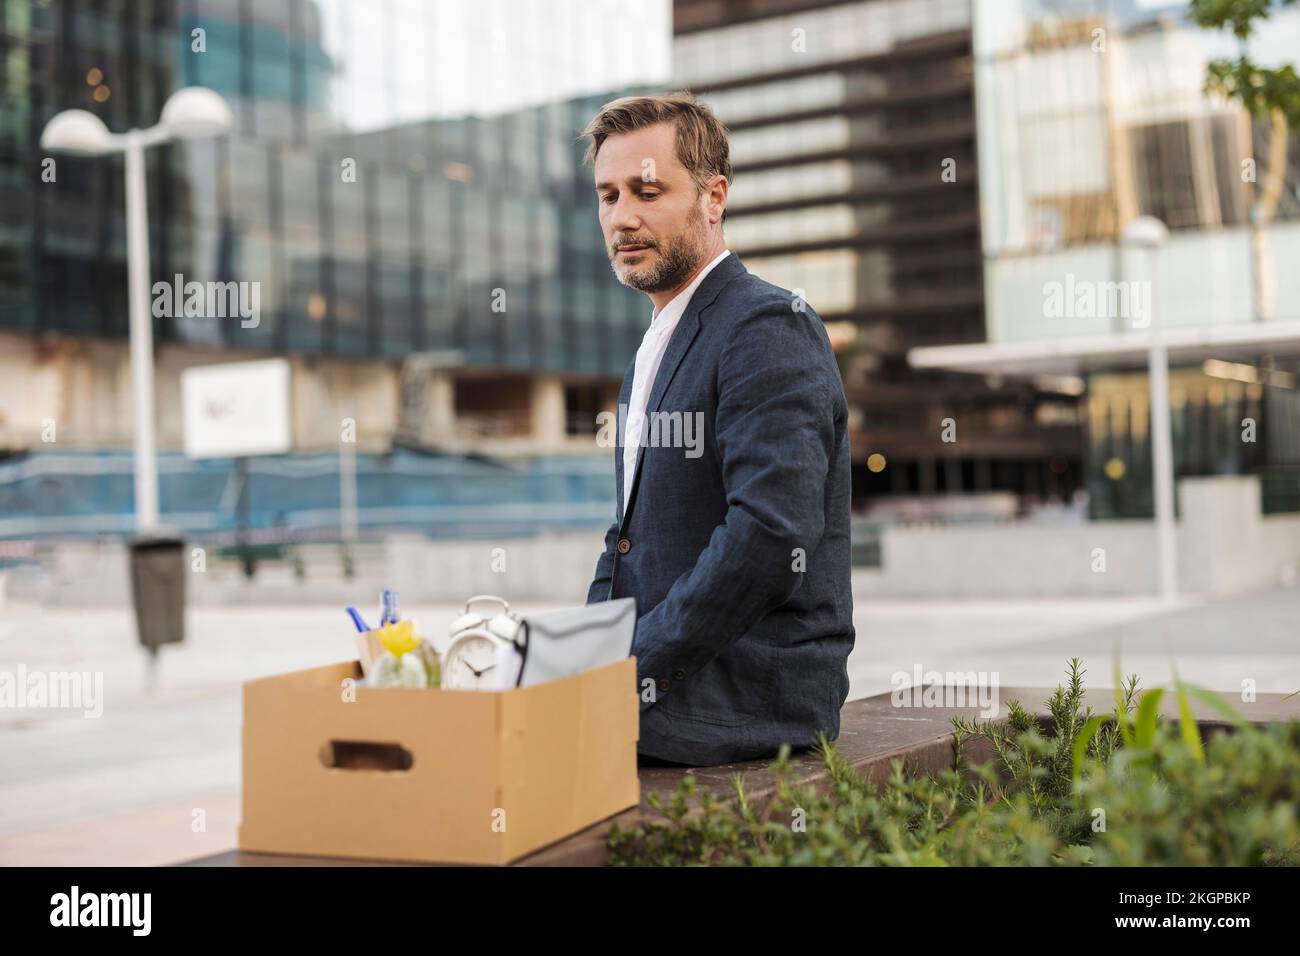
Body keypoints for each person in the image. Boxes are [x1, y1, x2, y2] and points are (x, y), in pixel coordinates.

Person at [581, 91, 855, 766]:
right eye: (609, 195)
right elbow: (627, 544)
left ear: (714, 196)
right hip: (669, 691)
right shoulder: (655, 348)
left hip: (741, 704)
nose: (624, 217)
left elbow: (769, 535)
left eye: (648, 191)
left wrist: (631, 674)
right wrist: (576, 662)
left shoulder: (767, 326)